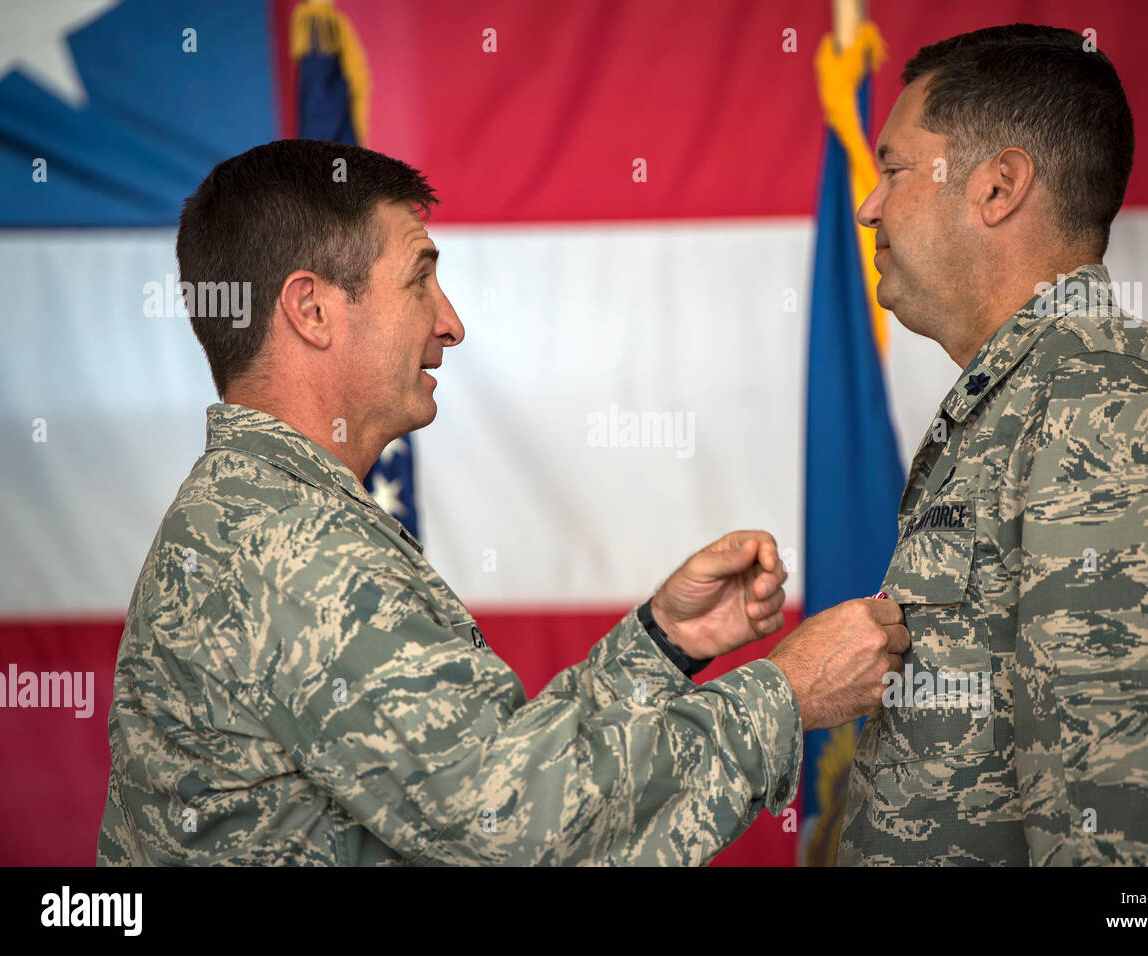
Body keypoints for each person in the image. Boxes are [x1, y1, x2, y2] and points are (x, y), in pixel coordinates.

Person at [97, 139, 910, 866]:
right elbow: (513, 831)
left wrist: (661, 648)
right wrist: (786, 693)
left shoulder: (261, 516)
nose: (450, 324)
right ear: (312, 311)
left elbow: (483, 767)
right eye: (420, 279)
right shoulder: (298, 548)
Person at [837, 24, 1148, 865]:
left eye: (894, 168)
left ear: (1000, 186)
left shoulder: (1108, 408)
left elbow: (1129, 822)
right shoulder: (1029, 397)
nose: (869, 204)